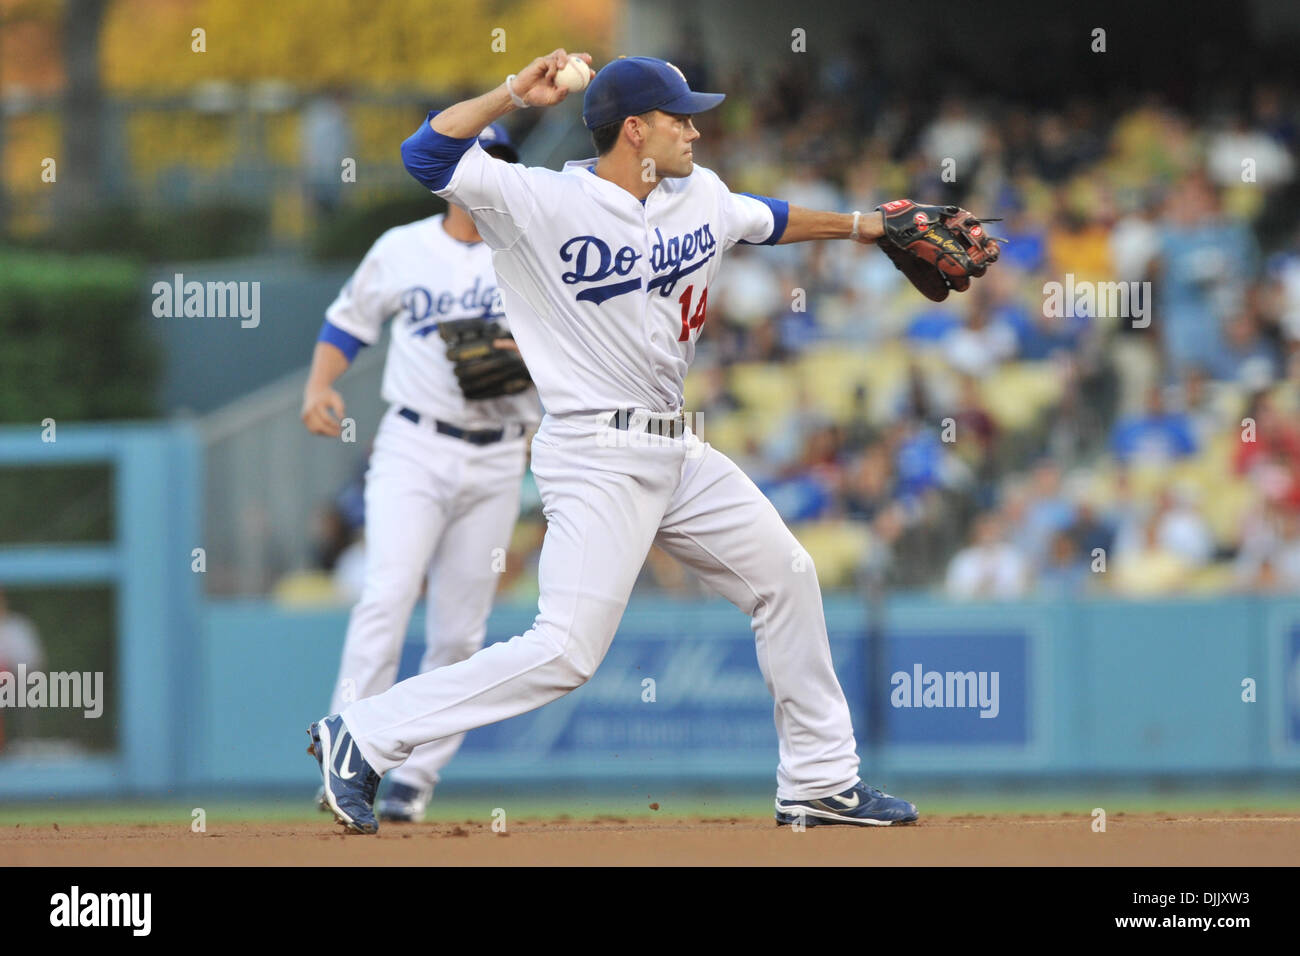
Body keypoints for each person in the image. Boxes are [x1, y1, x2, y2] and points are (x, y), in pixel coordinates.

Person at [309, 50, 936, 833]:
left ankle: (819, 780)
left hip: (678, 450)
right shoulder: (536, 201)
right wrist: (513, 92)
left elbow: (763, 219)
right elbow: (424, 154)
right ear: (635, 130)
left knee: (787, 575)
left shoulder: (697, 196)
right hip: (593, 452)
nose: (697, 131)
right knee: (567, 651)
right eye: (681, 117)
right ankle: (362, 733)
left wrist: (870, 226)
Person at [300, 124, 539, 821]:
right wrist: (318, 386)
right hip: (412, 446)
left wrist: (516, 357)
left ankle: (414, 783)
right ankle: (343, 761)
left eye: (498, 164)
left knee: (461, 631)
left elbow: (573, 342)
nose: (489, 176)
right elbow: (347, 322)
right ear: (451, 176)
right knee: (386, 596)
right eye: (478, 163)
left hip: (499, 452)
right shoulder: (402, 247)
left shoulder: (529, 255)